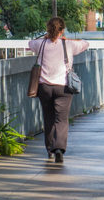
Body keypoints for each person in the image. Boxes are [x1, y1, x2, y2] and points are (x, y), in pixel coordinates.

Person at [27, 17, 89, 164]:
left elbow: (30, 44)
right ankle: (59, 149)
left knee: (48, 118)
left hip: (44, 87)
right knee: (61, 119)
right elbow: (86, 44)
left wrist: (45, 37)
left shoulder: (40, 44)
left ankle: (49, 150)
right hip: (64, 87)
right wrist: (68, 39)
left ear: (48, 30)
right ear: (62, 30)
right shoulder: (69, 45)